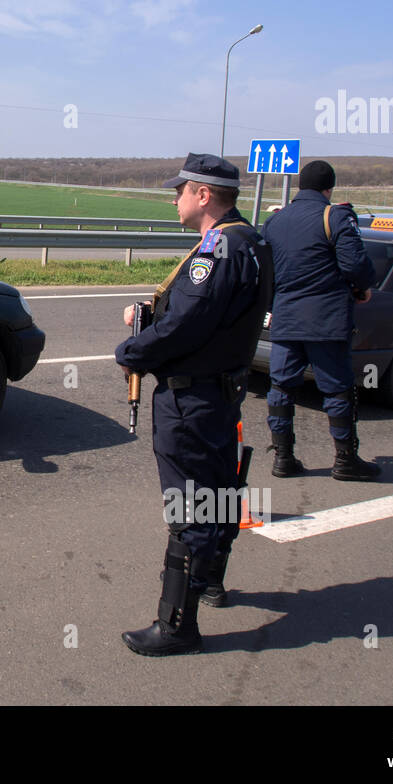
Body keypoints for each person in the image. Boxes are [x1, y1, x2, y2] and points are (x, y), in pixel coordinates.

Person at [115, 153, 272, 656]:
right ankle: (211, 583)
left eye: (180, 190)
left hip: (193, 398)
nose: (175, 198)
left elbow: (190, 322)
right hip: (220, 392)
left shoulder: (217, 250)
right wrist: (150, 313)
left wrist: (132, 352)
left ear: (204, 195)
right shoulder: (251, 242)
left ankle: (178, 625)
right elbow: (206, 315)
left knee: (188, 507)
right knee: (219, 492)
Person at [261, 160, 380, 480]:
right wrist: (362, 287)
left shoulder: (275, 221)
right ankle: (345, 460)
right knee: (337, 389)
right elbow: (355, 264)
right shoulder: (336, 216)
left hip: (285, 318)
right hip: (325, 320)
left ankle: (283, 458)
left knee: (281, 387)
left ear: (300, 186)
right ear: (329, 188)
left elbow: (266, 273)